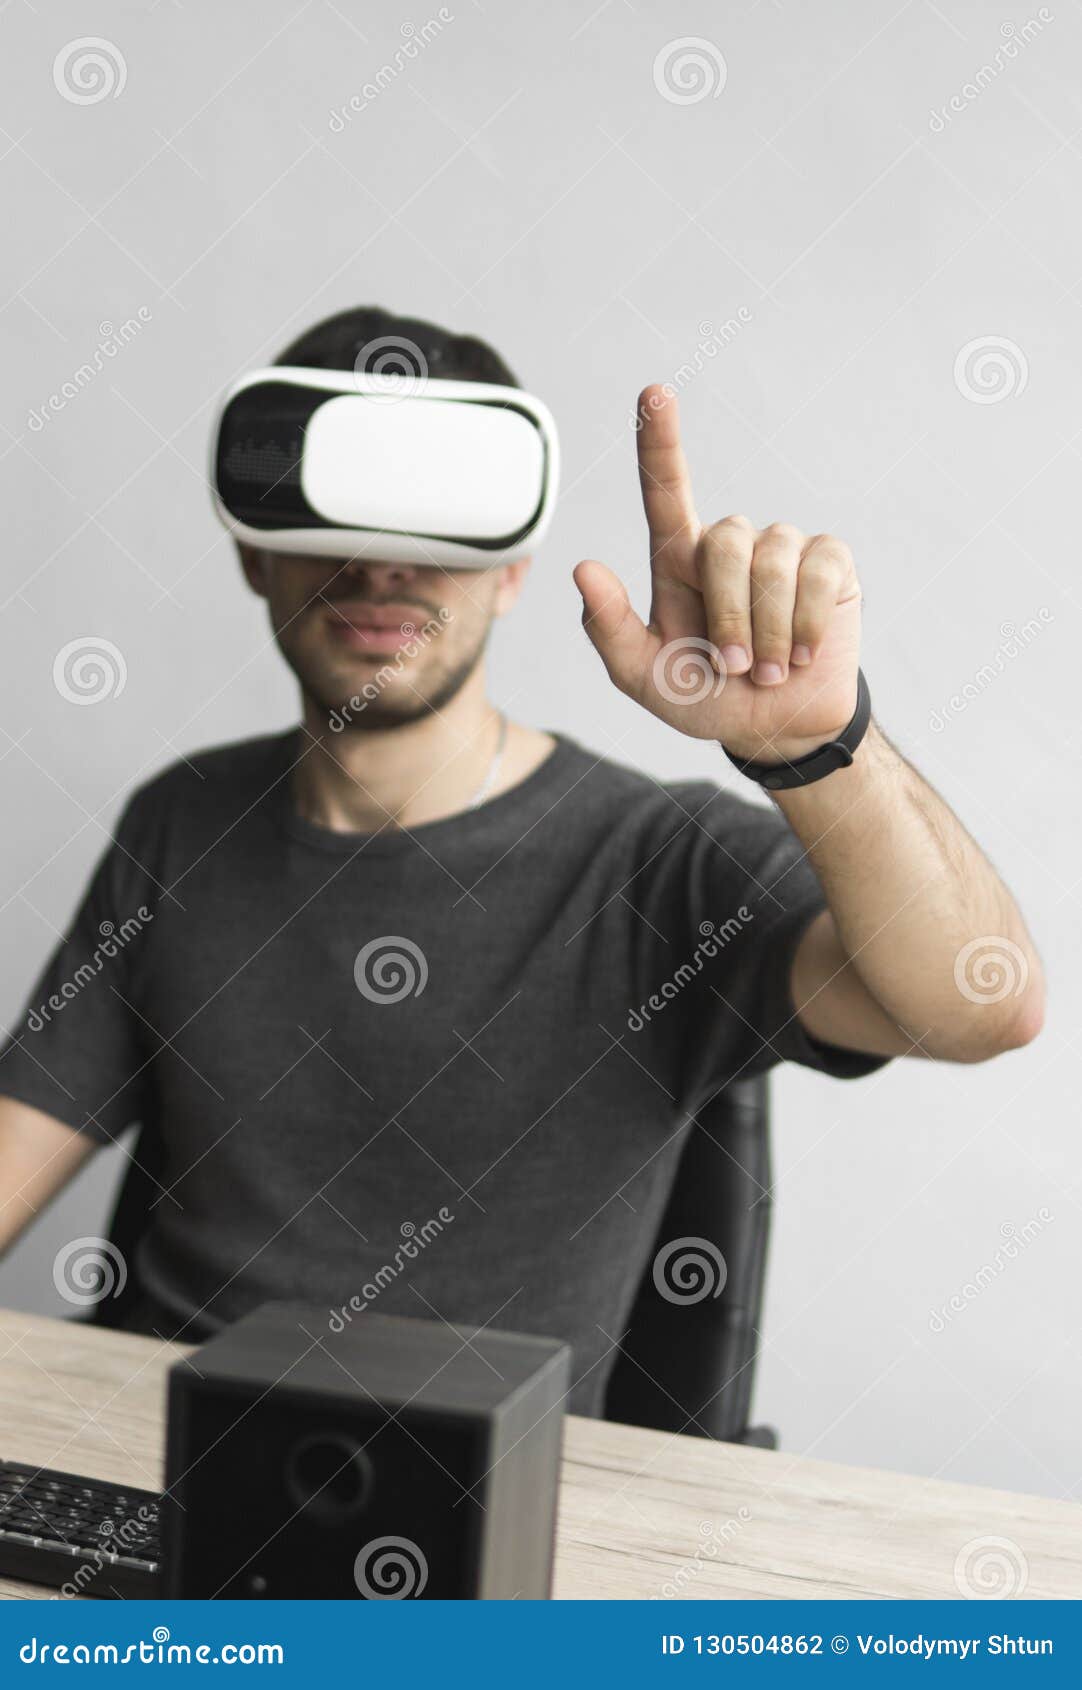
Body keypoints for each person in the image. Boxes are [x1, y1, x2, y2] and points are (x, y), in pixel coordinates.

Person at [0, 307, 1044, 1414]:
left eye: (436, 519)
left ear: (508, 568)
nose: (380, 566)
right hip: (152, 1478)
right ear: (255, 546)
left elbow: (982, 1006)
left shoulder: (654, 864)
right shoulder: (184, 821)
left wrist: (811, 748)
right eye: (339, 511)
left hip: (476, 1525)